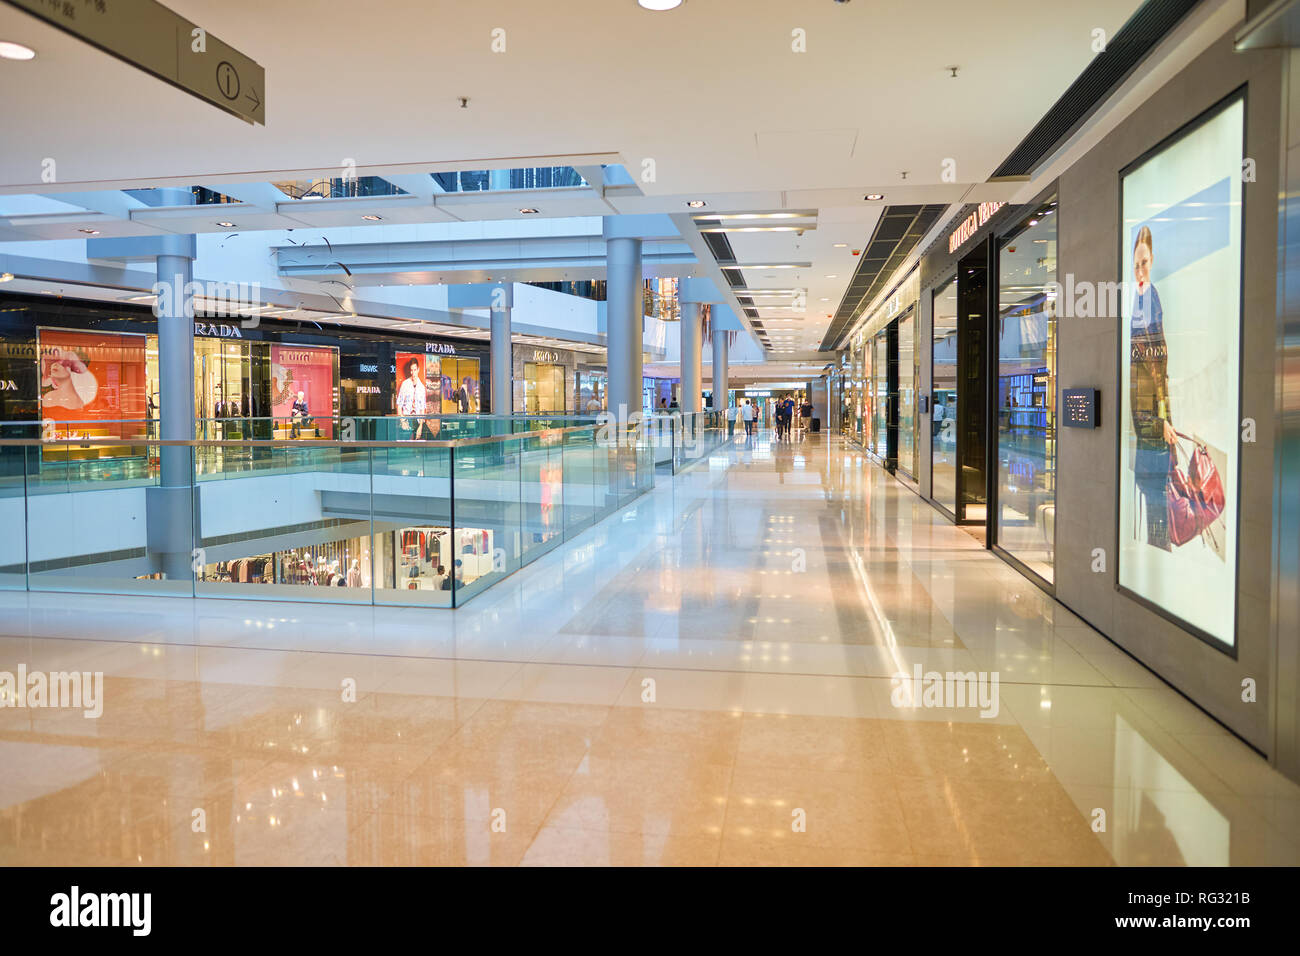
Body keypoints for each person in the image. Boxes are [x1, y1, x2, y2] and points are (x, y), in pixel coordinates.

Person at [1129, 225, 1176, 551]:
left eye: (1144, 263)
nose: (1140, 270)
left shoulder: (1151, 299)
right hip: (1144, 424)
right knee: (1152, 494)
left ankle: (1159, 553)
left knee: (1157, 498)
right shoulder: (1137, 300)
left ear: (1152, 260)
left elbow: (1159, 371)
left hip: (1153, 426)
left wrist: (1165, 419)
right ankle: (1154, 553)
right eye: (1135, 265)